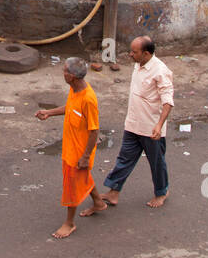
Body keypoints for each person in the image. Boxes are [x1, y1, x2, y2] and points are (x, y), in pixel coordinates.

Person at [36, 57, 108, 238]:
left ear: (73, 76)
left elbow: (94, 131)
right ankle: (99, 203)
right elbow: (70, 108)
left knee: (71, 186)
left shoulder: (88, 99)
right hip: (70, 146)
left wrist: (85, 157)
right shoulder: (74, 89)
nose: (63, 73)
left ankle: (69, 223)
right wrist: (49, 113)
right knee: (82, 177)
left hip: (79, 152)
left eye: (65, 71)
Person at [101, 36, 174, 209]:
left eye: (134, 52)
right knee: (124, 159)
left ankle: (162, 192)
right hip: (133, 124)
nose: (130, 55)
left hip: (151, 128)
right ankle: (114, 192)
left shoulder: (160, 71)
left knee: (156, 162)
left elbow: (168, 101)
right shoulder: (138, 64)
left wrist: (159, 125)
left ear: (146, 54)